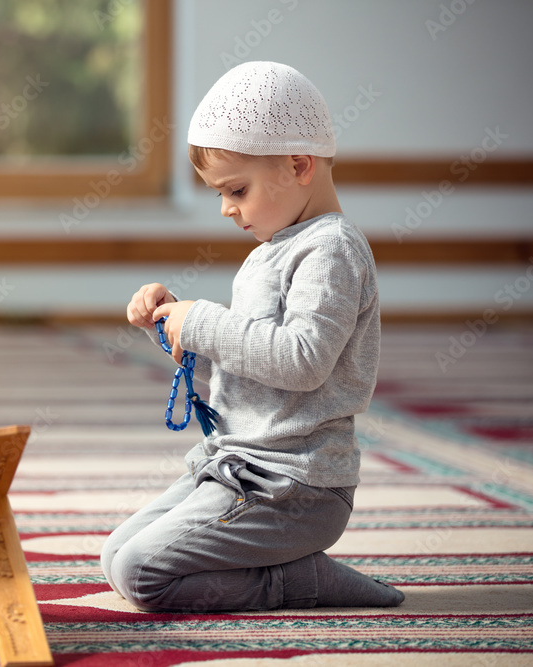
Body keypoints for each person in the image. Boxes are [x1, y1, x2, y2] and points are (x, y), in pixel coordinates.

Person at [100, 61, 405, 612]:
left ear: (298, 164)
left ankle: (302, 580)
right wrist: (171, 325)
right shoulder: (268, 253)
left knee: (142, 574)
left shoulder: (331, 249)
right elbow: (245, 367)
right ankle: (283, 564)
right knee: (115, 555)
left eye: (235, 189)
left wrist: (204, 321)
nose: (226, 208)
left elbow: (303, 361)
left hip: (295, 487)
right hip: (237, 466)